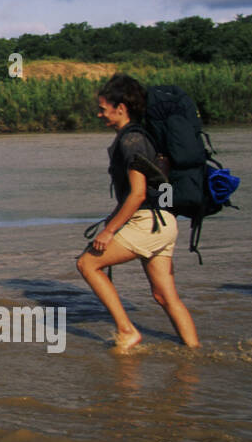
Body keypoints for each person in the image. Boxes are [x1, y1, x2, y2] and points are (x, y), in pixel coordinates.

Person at [75, 74, 200, 350]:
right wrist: (112, 219)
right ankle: (194, 355)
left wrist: (109, 232)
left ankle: (127, 330)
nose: (99, 114)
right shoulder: (142, 137)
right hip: (165, 222)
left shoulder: (130, 140)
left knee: (87, 263)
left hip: (147, 223)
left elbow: (139, 193)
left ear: (121, 109)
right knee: (165, 297)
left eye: (103, 108)